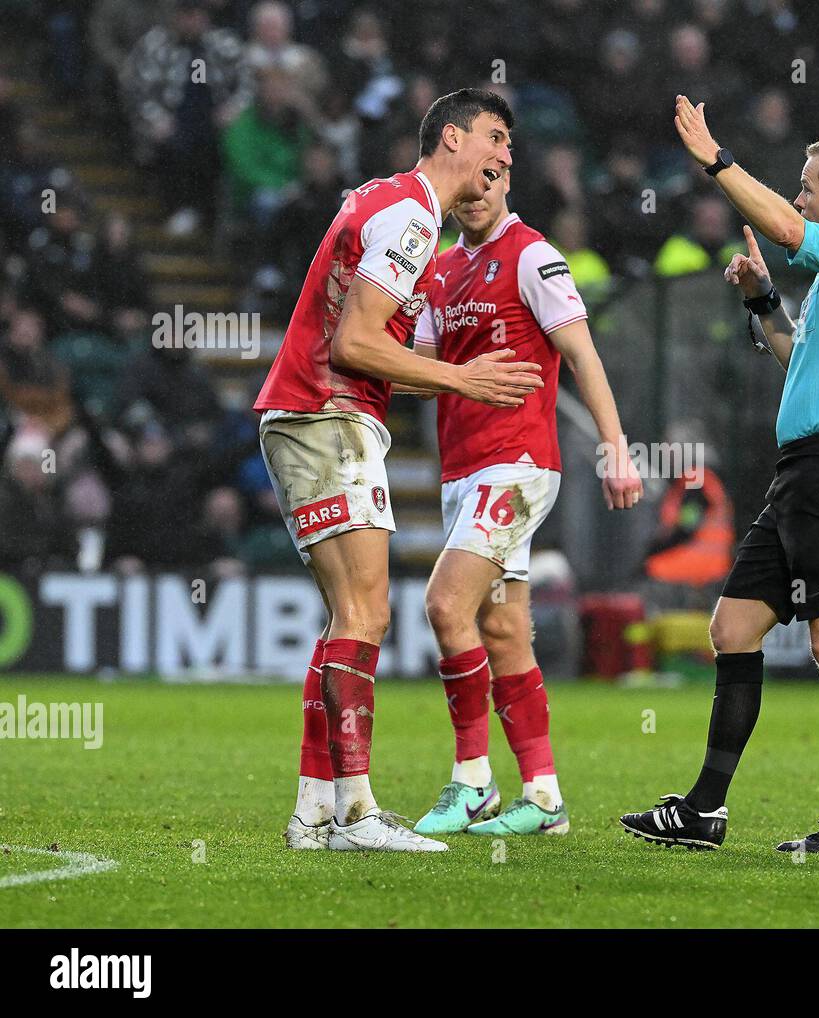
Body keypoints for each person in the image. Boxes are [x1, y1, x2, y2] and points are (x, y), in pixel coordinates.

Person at [254, 88, 544, 853]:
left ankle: (315, 812)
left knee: (344, 623)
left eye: (510, 146)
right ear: (451, 138)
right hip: (327, 413)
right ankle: (357, 815)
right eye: (494, 137)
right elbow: (354, 343)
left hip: (317, 413)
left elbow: (370, 345)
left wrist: (452, 373)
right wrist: (465, 380)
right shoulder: (413, 216)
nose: (506, 155)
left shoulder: (386, 200)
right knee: (365, 616)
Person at [620, 96, 819, 854]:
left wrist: (716, 159)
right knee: (733, 627)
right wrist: (762, 304)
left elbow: (785, 229)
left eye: (809, 187)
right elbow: (797, 359)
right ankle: (705, 811)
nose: (800, 198)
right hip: (803, 475)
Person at [410, 171, 642, 839]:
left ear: (508, 182)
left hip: (517, 466)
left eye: (492, 177)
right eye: (467, 181)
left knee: (443, 604)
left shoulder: (533, 255)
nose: (478, 190)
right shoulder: (439, 272)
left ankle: (473, 780)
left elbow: (581, 353)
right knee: (505, 632)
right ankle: (544, 798)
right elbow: (423, 376)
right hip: (463, 471)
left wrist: (615, 447)